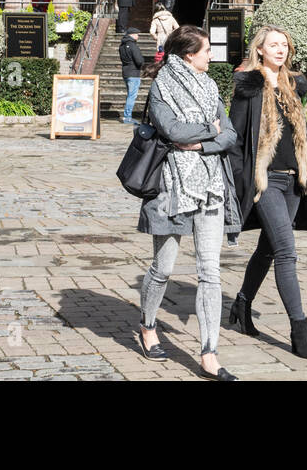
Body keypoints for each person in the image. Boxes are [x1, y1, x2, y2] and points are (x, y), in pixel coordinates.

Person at [136, 25, 241, 381]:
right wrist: (210, 131)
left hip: (212, 186)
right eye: (207, 50)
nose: (212, 55)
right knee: (163, 268)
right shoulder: (161, 87)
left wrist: (203, 141)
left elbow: (230, 135)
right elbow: (173, 132)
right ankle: (148, 326)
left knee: (210, 273)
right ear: (188, 55)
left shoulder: (211, 87)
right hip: (171, 188)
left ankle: (209, 354)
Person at [225, 24, 307, 360]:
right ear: (260, 50)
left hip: (294, 180)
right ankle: (299, 329)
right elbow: (235, 139)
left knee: (268, 250)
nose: (280, 50)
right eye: (274, 45)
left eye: (284, 45)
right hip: (265, 181)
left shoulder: (291, 84)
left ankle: (242, 303)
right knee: (286, 251)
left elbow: (302, 136)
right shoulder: (248, 86)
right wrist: (245, 179)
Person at [119, 27, 145, 125]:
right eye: (137, 34)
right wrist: (143, 63)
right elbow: (139, 60)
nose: (138, 36)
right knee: (132, 96)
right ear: (132, 35)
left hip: (125, 72)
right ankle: (127, 117)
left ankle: (127, 116)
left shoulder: (122, 45)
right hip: (134, 73)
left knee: (130, 95)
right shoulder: (133, 45)